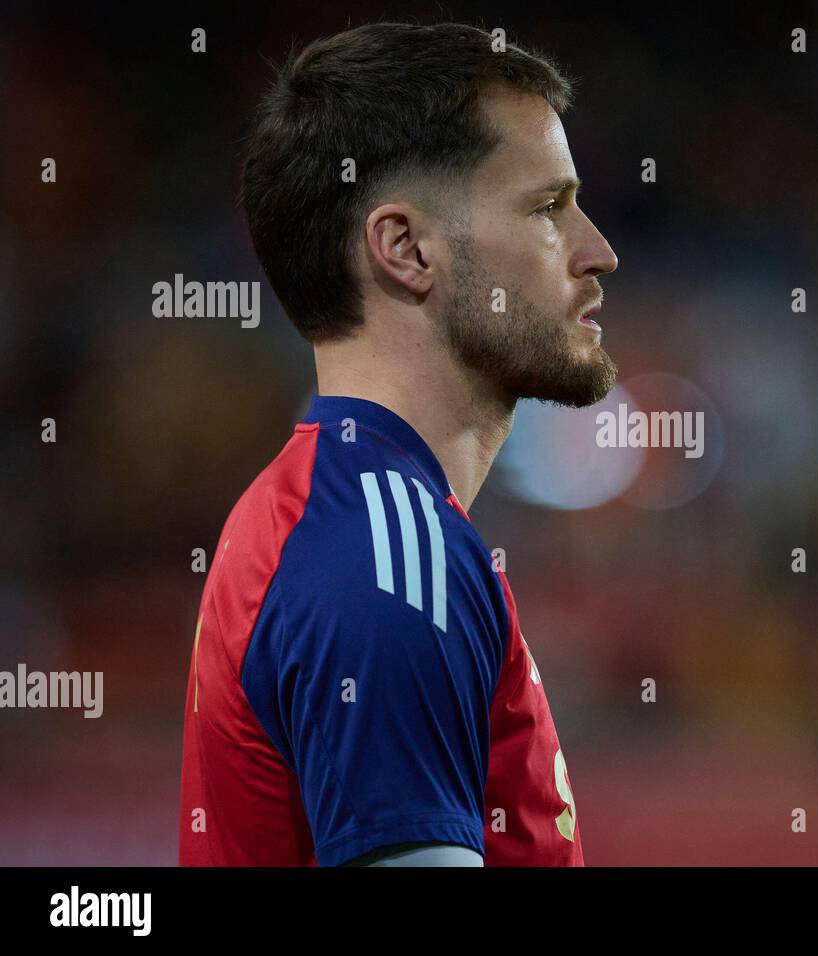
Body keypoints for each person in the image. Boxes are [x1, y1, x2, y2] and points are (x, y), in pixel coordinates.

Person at [178, 21, 618, 867]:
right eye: (547, 208)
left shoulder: (314, 511)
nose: (598, 251)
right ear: (408, 248)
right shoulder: (387, 559)